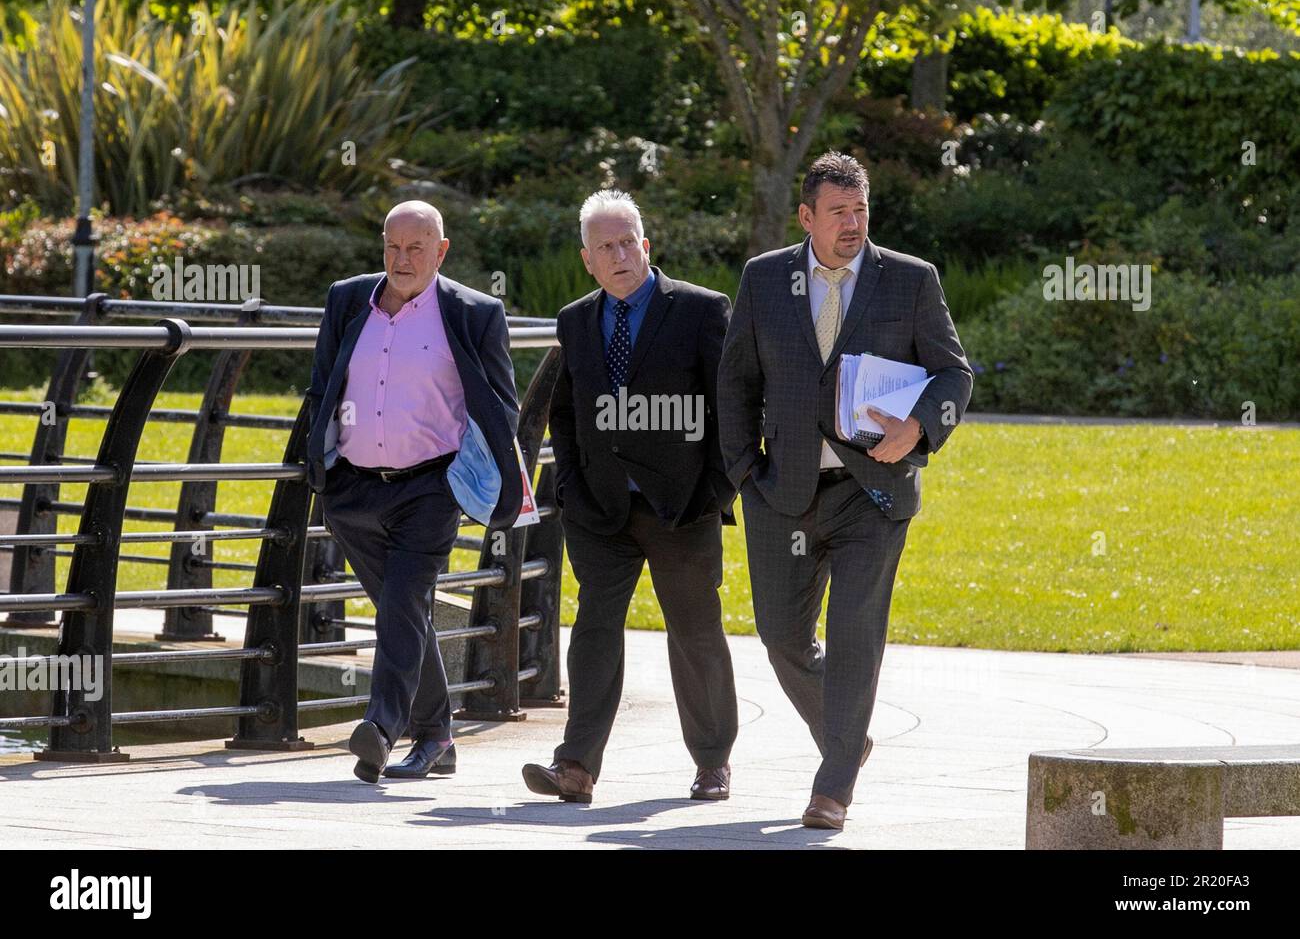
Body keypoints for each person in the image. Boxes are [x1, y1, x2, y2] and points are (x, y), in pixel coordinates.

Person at [717, 151, 972, 829]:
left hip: (874, 491)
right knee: (781, 637)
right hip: (782, 489)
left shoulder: (910, 281)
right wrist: (745, 471)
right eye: (838, 212)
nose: (853, 223)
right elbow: (735, 381)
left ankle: (832, 786)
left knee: (856, 635)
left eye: (860, 209)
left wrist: (918, 430)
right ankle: (848, 737)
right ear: (806, 217)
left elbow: (955, 376)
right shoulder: (765, 278)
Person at [520, 190, 739, 803]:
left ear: (646, 245)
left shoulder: (700, 310)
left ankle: (712, 761)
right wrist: (571, 484)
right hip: (599, 510)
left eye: (627, 243)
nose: (619, 255)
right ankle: (577, 767)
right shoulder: (574, 320)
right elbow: (565, 413)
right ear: (587, 259)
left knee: (695, 632)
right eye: (604, 248)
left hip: (681, 506)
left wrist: (715, 491)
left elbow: (730, 409)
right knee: (593, 629)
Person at [305, 200, 521, 783]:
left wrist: (497, 481)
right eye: (392, 246)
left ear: (441, 252)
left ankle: (380, 727)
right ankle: (438, 736)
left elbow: (502, 406)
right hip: (352, 489)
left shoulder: (474, 313)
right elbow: (322, 383)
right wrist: (317, 468)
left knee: (402, 605)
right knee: (405, 615)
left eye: (416, 248)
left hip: (429, 487)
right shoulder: (348, 299)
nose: (402, 259)